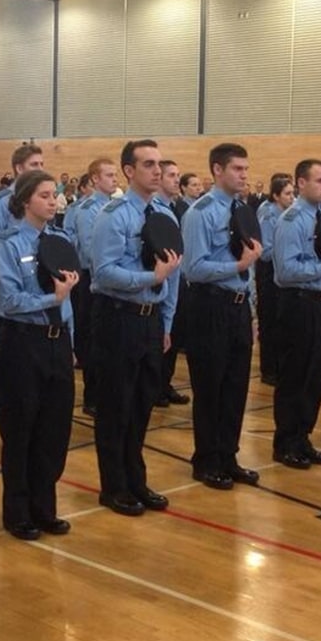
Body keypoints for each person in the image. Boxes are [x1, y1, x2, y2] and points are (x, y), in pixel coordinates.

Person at [91, 139, 180, 516]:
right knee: (117, 405)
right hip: (119, 317)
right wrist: (149, 278)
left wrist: (167, 322)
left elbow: (174, 274)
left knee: (143, 403)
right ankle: (114, 486)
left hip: (151, 320)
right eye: (148, 164)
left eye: (159, 164)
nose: (157, 171)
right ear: (129, 171)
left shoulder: (165, 214)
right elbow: (104, 272)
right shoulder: (114, 215)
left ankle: (136, 478)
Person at [0, 170, 77, 540]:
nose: (53, 201)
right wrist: (52, 300)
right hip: (23, 343)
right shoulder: (7, 244)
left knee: (54, 429)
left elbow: (71, 299)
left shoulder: (61, 240)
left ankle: (45, 507)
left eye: (54, 194)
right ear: (26, 200)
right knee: (21, 428)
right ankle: (18, 512)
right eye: (44, 195)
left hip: (58, 343)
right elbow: (8, 302)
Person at [181, 143, 261, 489]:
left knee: (236, 386)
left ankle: (229, 455)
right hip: (210, 305)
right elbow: (194, 268)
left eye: (245, 169)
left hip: (239, 306)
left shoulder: (243, 210)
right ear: (217, 170)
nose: (243, 175)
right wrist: (237, 266)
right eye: (237, 169)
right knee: (210, 386)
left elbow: (252, 268)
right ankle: (206, 459)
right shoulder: (201, 212)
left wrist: (253, 309)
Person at [271, 159, 321, 461]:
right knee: (295, 375)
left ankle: (303, 437)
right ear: (301, 183)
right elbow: (285, 271)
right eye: (320, 181)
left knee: (316, 375)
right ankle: (286, 441)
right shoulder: (292, 219)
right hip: (299, 304)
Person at [66, 159, 117, 417]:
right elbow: (89, 250)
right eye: (109, 175)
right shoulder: (88, 208)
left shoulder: (115, 206)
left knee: (109, 341)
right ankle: (92, 396)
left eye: (115, 174)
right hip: (92, 279)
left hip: (110, 280)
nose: (114, 179)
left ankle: (107, 393)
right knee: (93, 339)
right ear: (95, 179)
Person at [0, 145, 44, 332]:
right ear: (19, 168)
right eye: (34, 164)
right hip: (11, 278)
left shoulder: (42, 199)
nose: (40, 168)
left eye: (42, 164)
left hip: (38, 277)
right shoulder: (1, 202)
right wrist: (10, 254)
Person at [154, 159, 191, 408]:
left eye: (178, 175)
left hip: (175, 282)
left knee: (173, 337)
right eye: (171, 175)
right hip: (155, 285)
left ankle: (164, 384)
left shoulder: (174, 208)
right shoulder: (156, 210)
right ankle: (156, 387)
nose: (176, 180)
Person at [255, 173, 292, 387]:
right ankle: (268, 370)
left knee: (281, 323)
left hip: (280, 271)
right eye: (287, 194)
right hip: (268, 272)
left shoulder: (287, 214)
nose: (291, 198)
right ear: (276, 195)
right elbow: (265, 250)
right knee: (269, 322)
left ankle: (280, 365)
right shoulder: (268, 214)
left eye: (292, 193)